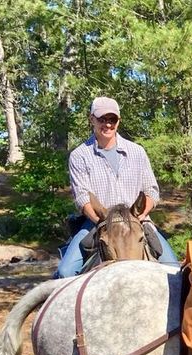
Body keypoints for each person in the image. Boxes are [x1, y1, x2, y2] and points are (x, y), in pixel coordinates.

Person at [57, 96, 179, 278]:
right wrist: (105, 223)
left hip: (137, 220)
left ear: (118, 121)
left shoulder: (137, 152)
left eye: (112, 120)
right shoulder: (79, 155)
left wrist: (139, 216)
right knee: (65, 272)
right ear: (92, 119)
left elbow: (151, 191)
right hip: (98, 221)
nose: (107, 125)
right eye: (102, 119)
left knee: (174, 269)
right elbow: (82, 197)